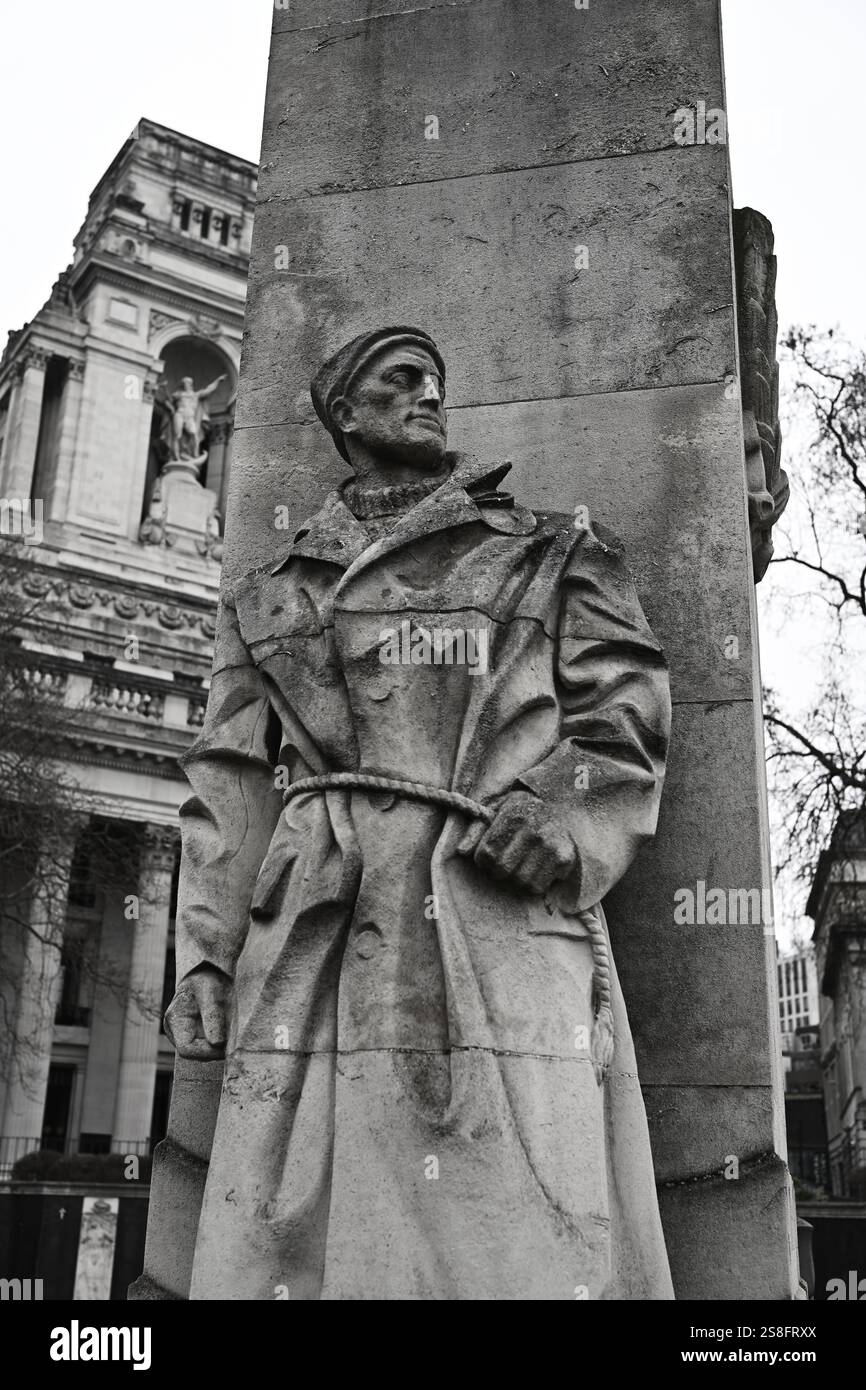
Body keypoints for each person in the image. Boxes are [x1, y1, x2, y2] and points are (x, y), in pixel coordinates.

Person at [165, 325, 674, 1299]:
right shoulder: (263, 597)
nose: (428, 395)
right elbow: (226, 780)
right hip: (313, 933)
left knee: (516, 1242)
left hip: (491, 909)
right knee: (296, 1257)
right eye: (400, 381)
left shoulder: (549, 549)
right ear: (344, 413)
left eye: (435, 380)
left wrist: (558, 813)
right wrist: (204, 951)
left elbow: (626, 716)